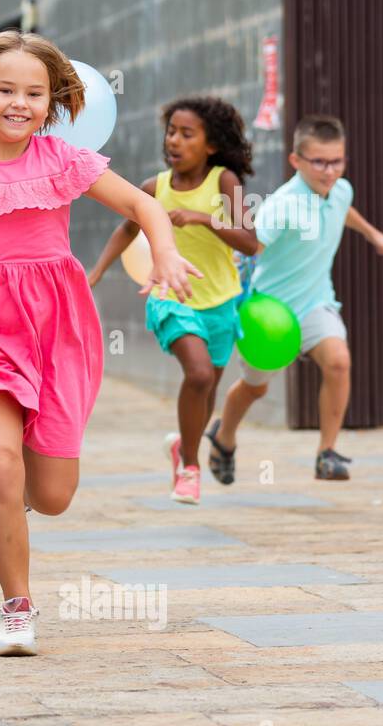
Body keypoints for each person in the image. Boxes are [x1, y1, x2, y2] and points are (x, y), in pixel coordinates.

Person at [0, 30, 195, 656]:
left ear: (51, 101)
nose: (20, 103)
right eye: (6, 89)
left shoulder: (63, 160)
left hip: (55, 332)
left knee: (51, 497)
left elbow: (144, 204)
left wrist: (167, 250)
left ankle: (16, 480)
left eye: (35, 93)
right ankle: (16, 606)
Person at [208, 114, 383, 481]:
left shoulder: (341, 189)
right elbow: (249, 248)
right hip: (269, 311)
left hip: (315, 302)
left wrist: (373, 234)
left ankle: (327, 453)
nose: (329, 171)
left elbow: (343, 208)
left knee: (339, 362)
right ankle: (224, 435)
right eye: (319, 162)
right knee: (255, 388)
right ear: (296, 161)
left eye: (337, 161)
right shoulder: (282, 206)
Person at [88, 96, 258, 503]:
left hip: (220, 300)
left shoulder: (224, 182)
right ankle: (191, 467)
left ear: (211, 144)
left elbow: (251, 244)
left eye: (187, 134)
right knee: (198, 374)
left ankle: (184, 446)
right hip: (168, 295)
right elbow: (127, 231)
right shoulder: (154, 188)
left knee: (209, 387)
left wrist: (205, 219)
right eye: (171, 132)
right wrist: (94, 273)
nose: (174, 141)